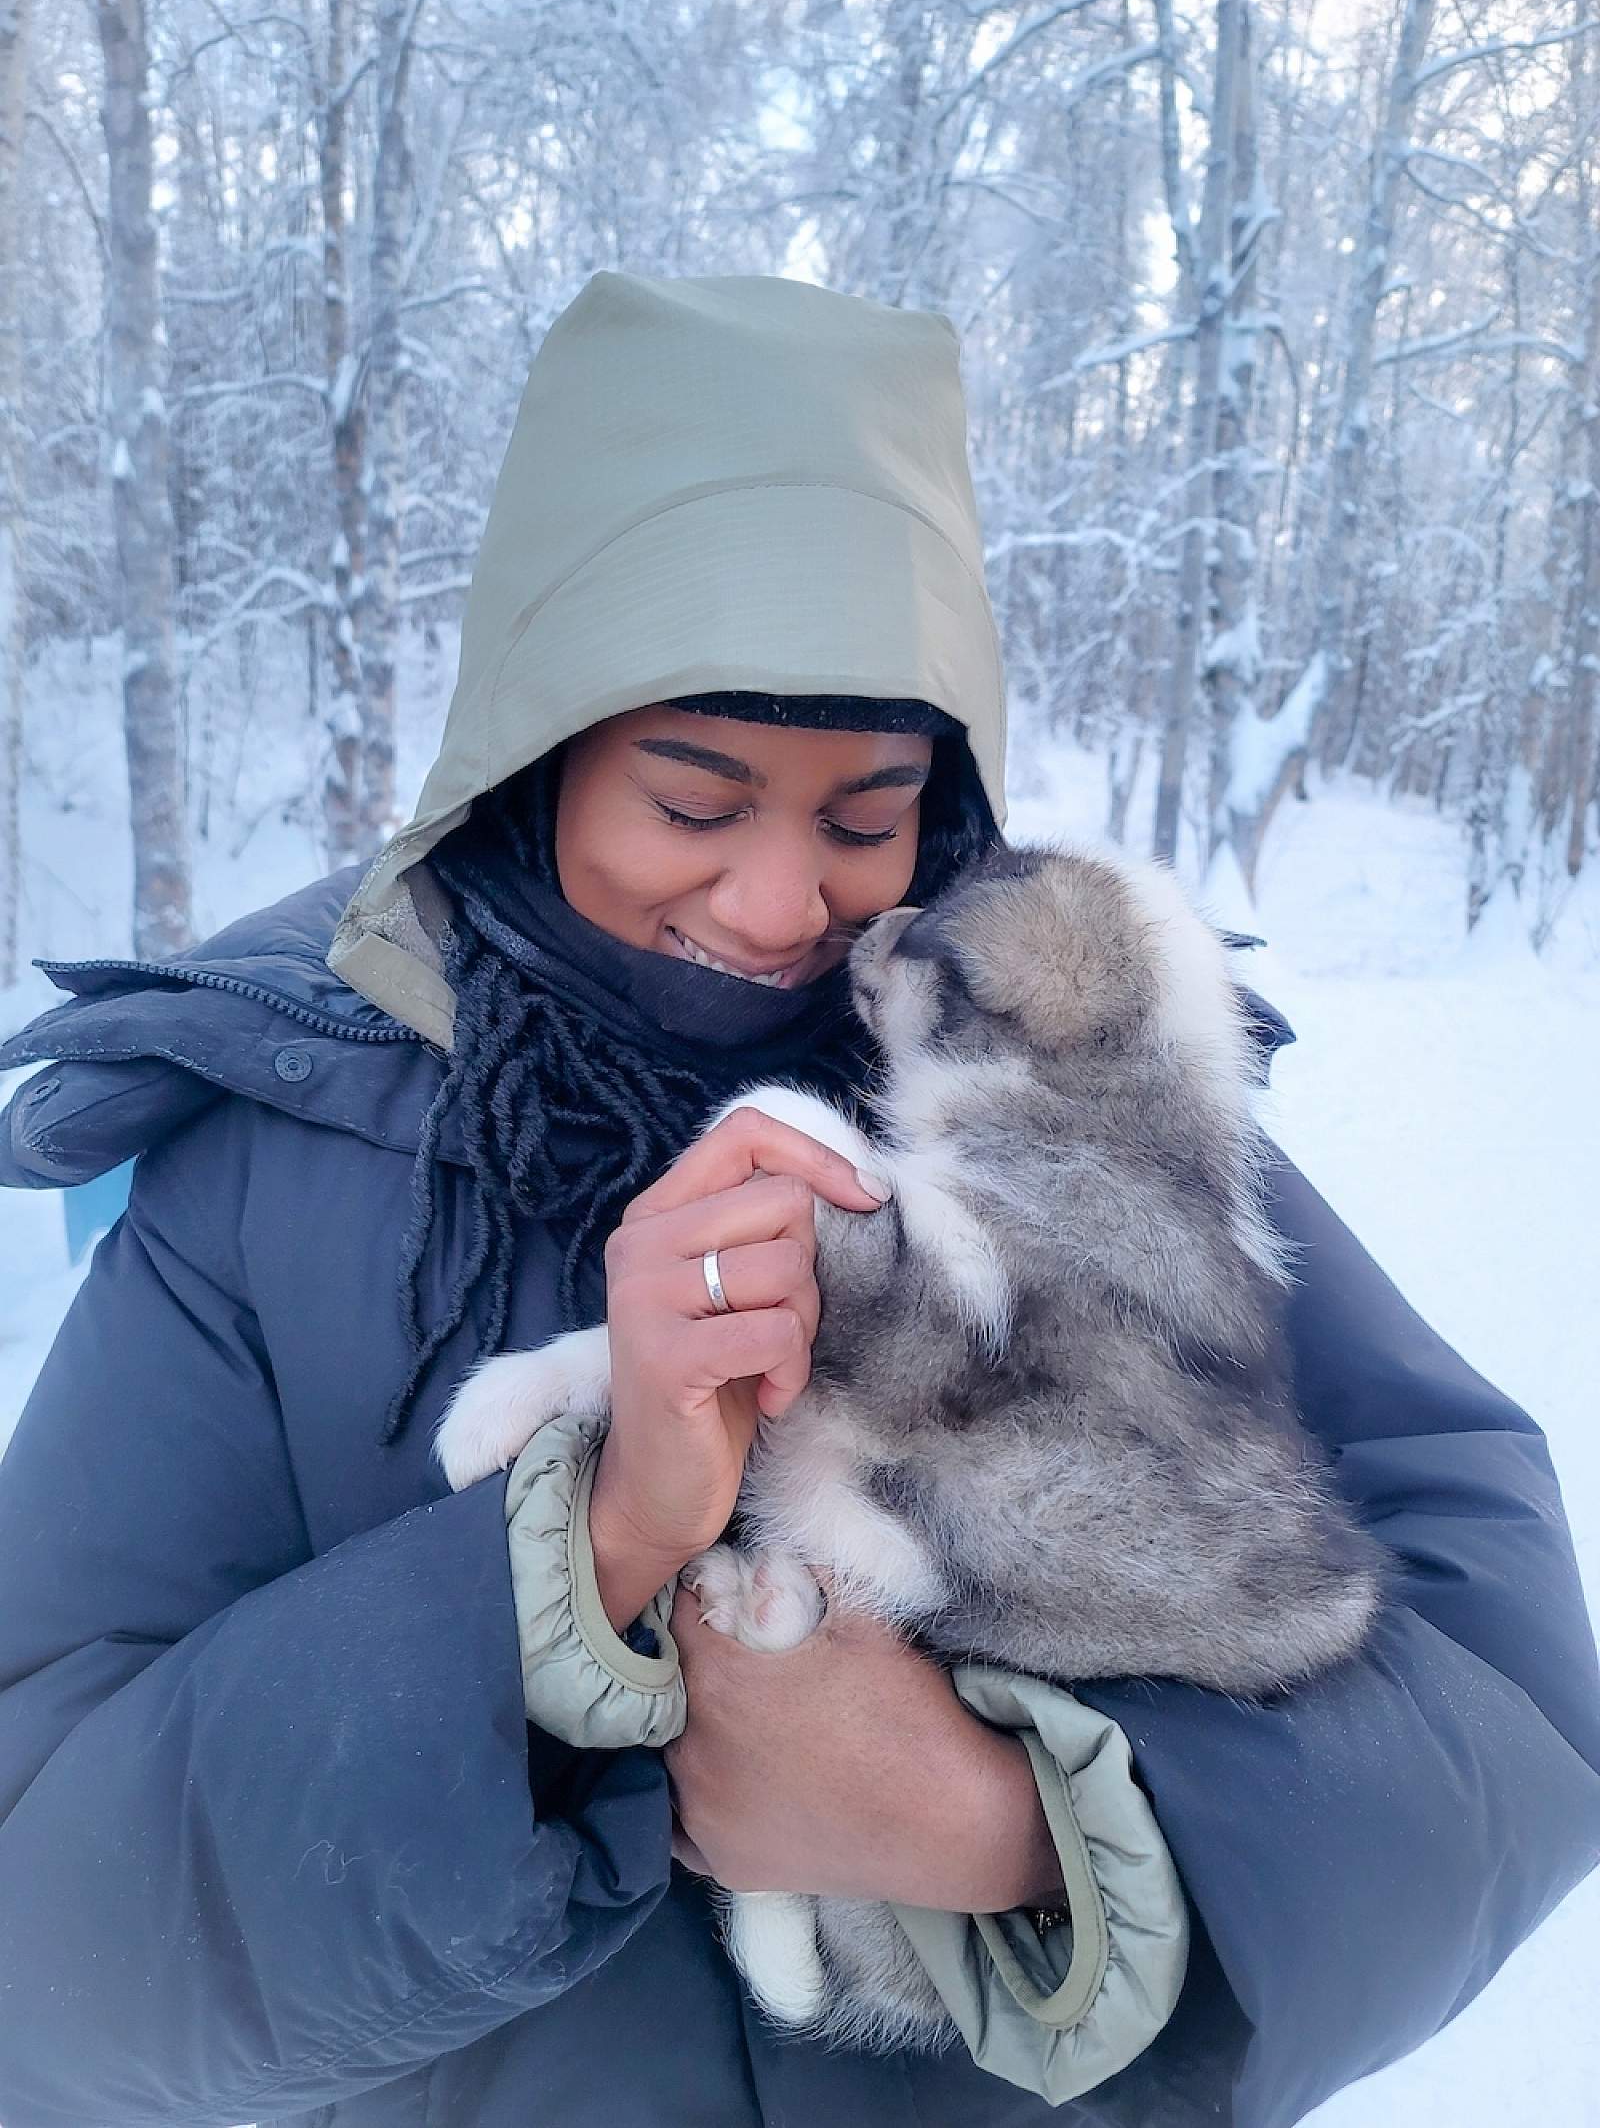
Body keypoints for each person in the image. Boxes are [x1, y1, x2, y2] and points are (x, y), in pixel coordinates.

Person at [0, 271, 1595, 2128]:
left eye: (864, 817)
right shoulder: (280, 1157)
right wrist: (573, 1562)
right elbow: (52, 1944)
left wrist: (1018, 1827)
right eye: (692, 800)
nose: (780, 909)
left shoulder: (1048, 1092)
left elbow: (1515, 1696)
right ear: (539, 760)